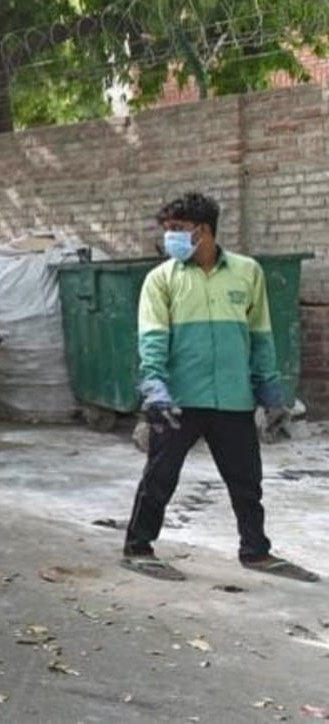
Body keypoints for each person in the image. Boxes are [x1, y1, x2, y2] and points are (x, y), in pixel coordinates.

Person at [121, 192, 318, 583]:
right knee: (160, 477)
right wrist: (155, 390)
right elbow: (153, 341)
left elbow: (260, 336)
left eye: (177, 230)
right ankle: (138, 547)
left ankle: (256, 552)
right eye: (166, 231)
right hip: (178, 401)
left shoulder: (247, 273)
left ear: (204, 230)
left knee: (247, 481)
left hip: (232, 399)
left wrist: (271, 393)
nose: (169, 239)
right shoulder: (161, 280)